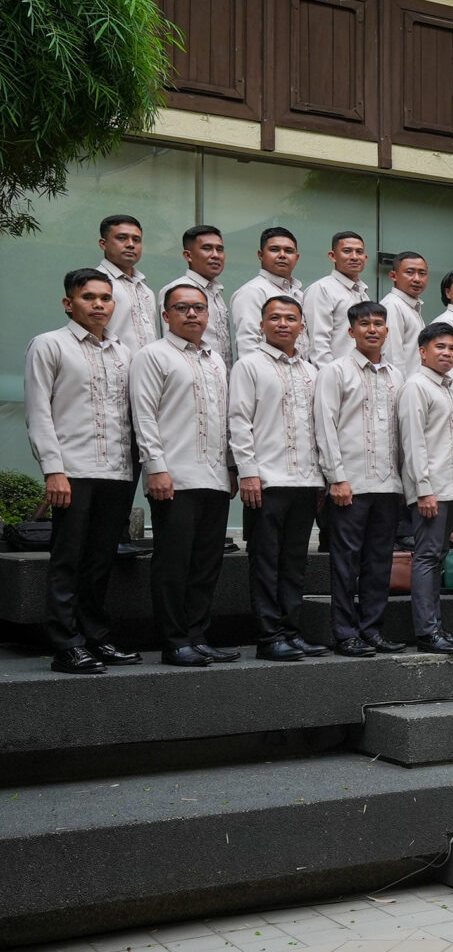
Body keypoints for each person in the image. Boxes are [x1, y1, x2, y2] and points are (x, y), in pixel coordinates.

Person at [28, 270, 139, 674]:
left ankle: (94, 636)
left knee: (100, 560)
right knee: (68, 560)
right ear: (68, 303)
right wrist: (52, 470)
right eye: (88, 297)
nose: (98, 304)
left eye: (105, 298)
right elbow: (39, 412)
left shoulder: (125, 352)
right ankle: (65, 645)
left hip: (116, 471)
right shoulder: (49, 345)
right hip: (72, 470)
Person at [131, 283, 235, 667]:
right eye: (182, 308)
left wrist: (230, 467)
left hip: (214, 478)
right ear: (166, 315)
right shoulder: (152, 355)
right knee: (174, 564)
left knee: (206, 564)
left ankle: (197, 635)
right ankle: (174, 641)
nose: (192, 314)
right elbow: (144, 416)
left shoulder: (215, 360)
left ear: (208, 315)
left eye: (198, 308)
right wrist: (155, 468)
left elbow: (223, 419)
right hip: (174, 478)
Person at [229, 295, 328, 662]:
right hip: (266, 482)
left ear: (302, 326)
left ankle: (291, 630)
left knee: (294, 561)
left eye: (290, 318)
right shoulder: (249, 366)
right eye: (275, 318)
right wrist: (248, 473)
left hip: (305, 482)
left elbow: (318, 429)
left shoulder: (312, 371)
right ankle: (268, 635)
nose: (283, 324)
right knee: (266, 560)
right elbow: (238, 421)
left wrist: (321, 479)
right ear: (262, 325)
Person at [314, 301, 408, 657]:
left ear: (387, 331)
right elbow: (326, 426)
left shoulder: (397, 375)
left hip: (388, 485)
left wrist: (403, 482)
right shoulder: (335, 371)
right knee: (345, 564)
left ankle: (372, 629)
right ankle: (344, 632)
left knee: (380, 562)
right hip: (349, 486)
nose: (372, 329)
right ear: (351, 331)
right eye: (364, 324)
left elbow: (402, 433)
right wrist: (336, 478)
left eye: (379, 323)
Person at [399, 323, 453, 654]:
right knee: (427, 557)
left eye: (452, 348)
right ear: (423, 351)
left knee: (438, 556)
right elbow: (413, 443)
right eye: (440, 347)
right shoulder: (417, 386)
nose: (447, 353)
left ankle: (436, 627)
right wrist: (423, 489)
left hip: (448, 487)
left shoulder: (445, 387)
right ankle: (426, 632)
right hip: (429, 491)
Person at [300, 231, 373, 367]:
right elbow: (318, 344)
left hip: (360, 376)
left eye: (359, 252)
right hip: (335, 378)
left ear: (366, 258)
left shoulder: (363, 294)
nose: (354, 257)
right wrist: (331, 380)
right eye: (347, 251)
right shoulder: (322, 289)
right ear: (332, 256)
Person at [161, 225, 233, 361]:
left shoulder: (216, 293)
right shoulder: (175, 290)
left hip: (217, 374)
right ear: (188, 255)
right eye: (207, 248)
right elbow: (171, 344)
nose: (215, 255)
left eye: (220, 249)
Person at [231, 227, 303, 360]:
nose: (282, 255)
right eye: (274, 250)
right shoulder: (252, 291)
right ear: (260, 255)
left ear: (296, 257)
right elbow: (248, 345)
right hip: (267, 376)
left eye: (289, 251)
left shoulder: (298, 293)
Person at [96, 214, 157, 355]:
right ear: (103, 244)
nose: (130, 244)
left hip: (149, 373)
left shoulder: (146, 290)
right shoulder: (95, 284)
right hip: (112, 371)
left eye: (136, 240)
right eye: (122, 238)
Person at [380, 252, 430, 382]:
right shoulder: (392, 305)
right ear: (393, 276)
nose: (417, 279)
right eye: (409, 272)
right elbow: (392, 357)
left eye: (422, 273)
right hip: (403, 390)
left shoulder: (412, 306)